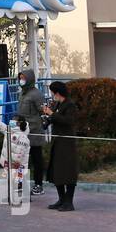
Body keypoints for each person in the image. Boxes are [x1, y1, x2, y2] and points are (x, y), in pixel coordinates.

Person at [42, 81, 79, 211]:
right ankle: (61, 199)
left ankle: (69, 202)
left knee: (67, 172)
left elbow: (68, 121)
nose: (52, 95)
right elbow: (56, 119)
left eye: (53, 93)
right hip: (57, 142)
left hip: (66, 143)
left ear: (57, 93)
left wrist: (52, 114)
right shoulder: (58, 104)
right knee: (57, 172)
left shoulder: (70, 105)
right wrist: (47, 119)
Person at [16, 69, 47, 195]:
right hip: (22, 133)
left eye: (23, 78)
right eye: (20, 78)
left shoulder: (36, 94)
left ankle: (39, 184)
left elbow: (43, 112)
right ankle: (21, 183)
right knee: (21, 160)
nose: (21, 80)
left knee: (36, 159)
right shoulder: (22, 93)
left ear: (29, 79)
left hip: (34, 132)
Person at [0, 112, 32, 203]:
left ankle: (23, 197)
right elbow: (0, 125)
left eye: (14, 120)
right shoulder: (9, 130)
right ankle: (13, 196)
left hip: (18, 163)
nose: (11, 122)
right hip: (9, 161)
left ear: (19, 123)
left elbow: (21, 151)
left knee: (19, 180)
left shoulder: (22, 135)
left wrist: (17, 162)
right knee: (12, 179)